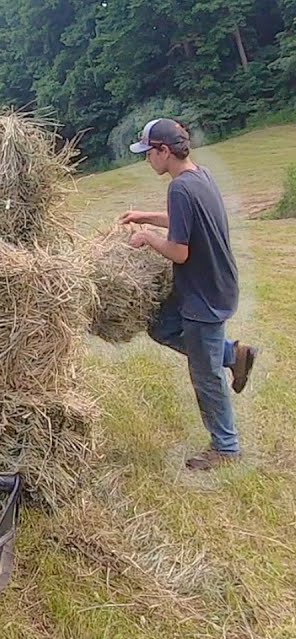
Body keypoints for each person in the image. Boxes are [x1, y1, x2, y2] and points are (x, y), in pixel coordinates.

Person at [120, 118, 260, 471]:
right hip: (215, 283)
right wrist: (146, 217)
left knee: (205, 374)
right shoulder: (200, 176)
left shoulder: (179, 188)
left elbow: (179, 252)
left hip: (204, 295)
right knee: (161, 326)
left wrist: (146, 237)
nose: (146, 159)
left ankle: (226, 447)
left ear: (164, 151)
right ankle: (232, 354)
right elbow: (185, 220)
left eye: (148, 152)